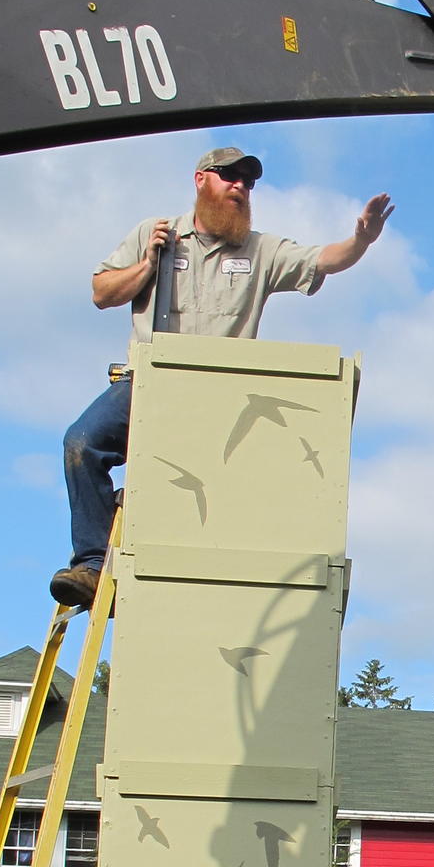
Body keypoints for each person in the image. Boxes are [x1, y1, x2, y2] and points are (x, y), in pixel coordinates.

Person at [50, 147, 393, 607]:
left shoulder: (261, 249)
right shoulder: (156, 235)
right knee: (81, 442)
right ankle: (91, 565)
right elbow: (101, 293)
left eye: (248, 182)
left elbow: (325, 260)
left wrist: (361, 241)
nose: (240, 187)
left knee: (213, 496)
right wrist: (148, 266)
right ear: (200, 180)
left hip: (221, 395)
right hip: (150, 382)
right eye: (230, 177)